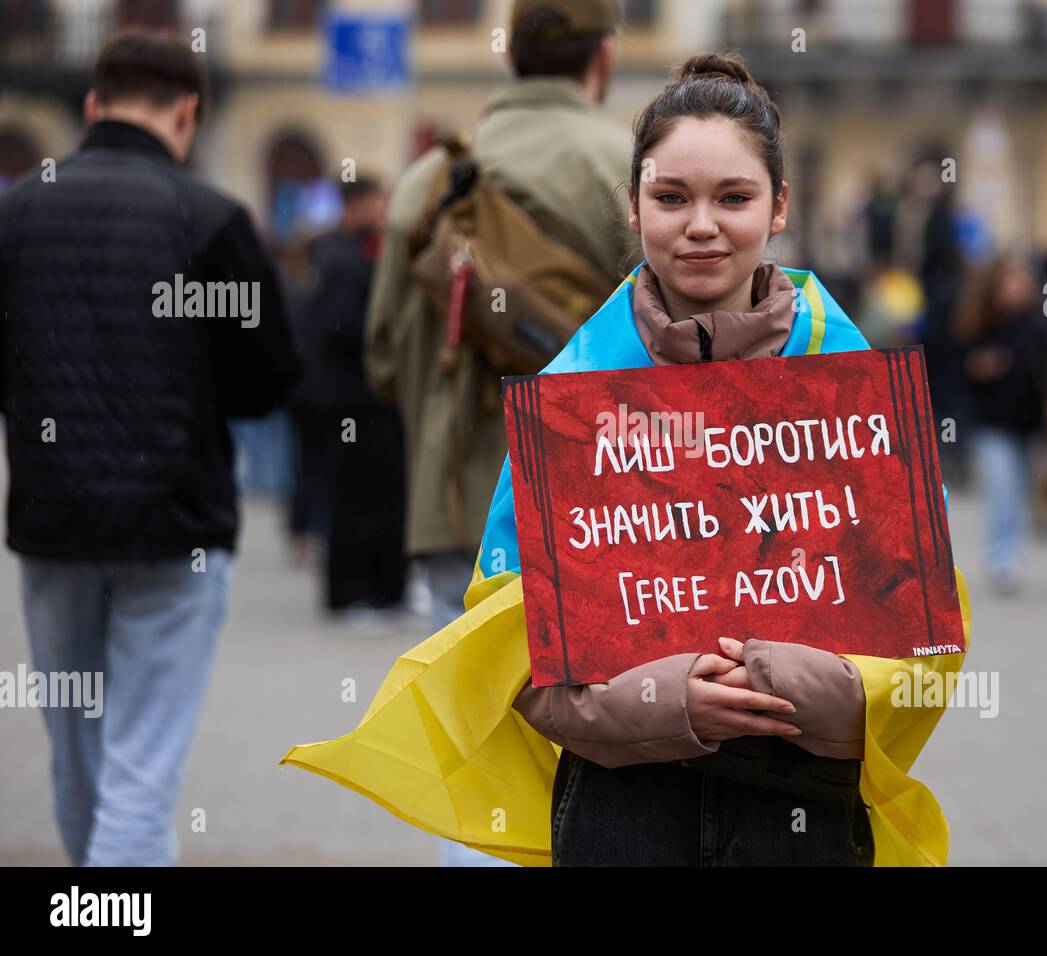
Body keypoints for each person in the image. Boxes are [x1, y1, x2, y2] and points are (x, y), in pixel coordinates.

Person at [285, 52, 972, 868]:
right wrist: (659, 698)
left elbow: (923, 641)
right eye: (672, 197)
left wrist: (811, 686)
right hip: (623, 808)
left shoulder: (845, 376)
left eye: (735, 197)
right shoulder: (576, 387)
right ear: (635, 205)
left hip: (803, 810)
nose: (702, 225)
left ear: (781, 205)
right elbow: (511, 625)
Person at [0, 31, 300, 865]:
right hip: (178, 526)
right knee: (141, 768)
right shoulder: (210, 218)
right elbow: (269, 376)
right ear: (187, 112)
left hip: (51, 521)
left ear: (94, 106)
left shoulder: (16, 212)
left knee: (78, 756)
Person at [363, 0, 633, 636]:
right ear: (604, 56)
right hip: (592, 505)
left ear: (510, 55)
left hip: (450, 502)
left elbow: (379, 355)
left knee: (462, 718)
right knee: (584, 723)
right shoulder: (633, 172)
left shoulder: (424, 183)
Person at [289, 177, 408, 621]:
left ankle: (382, 589)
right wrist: (387, 331)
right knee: (357, 497)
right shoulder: (341, 258)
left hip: (361, 399)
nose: (384, 212)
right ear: (356, 205)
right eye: (379, 203)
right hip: (352, 401)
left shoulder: (345, 253)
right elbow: (339, 327)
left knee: (376, 494)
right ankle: (356, 593)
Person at [955, 254, 1047, 593]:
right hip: (991, 423)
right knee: (1001, 488)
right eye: (1010, 282)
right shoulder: (979, 326)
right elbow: (953, 369)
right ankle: (1001, 555)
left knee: (1019, 491)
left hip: (1029, 423)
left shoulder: (1039, 326)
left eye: (1022, 282)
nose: (1018, 288)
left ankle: (1012, 550)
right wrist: (977, 367)